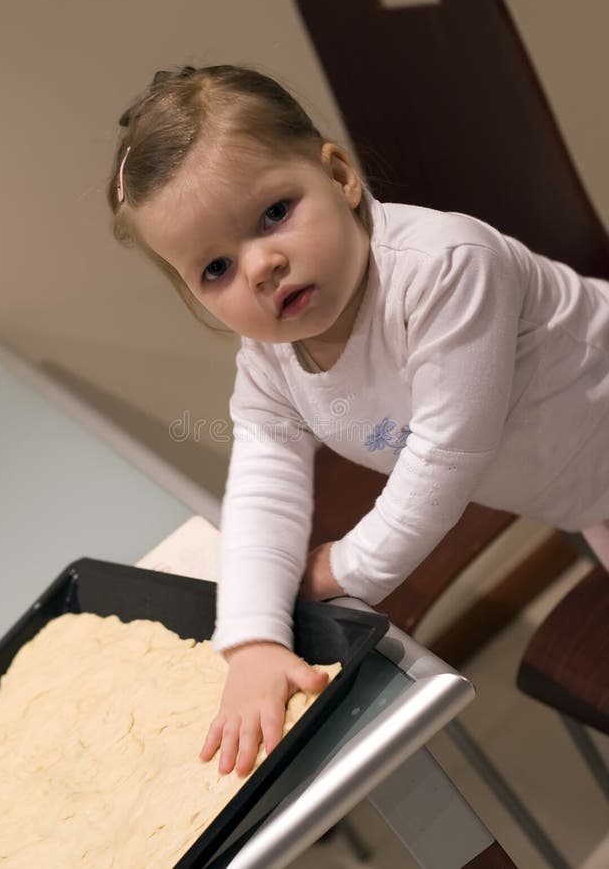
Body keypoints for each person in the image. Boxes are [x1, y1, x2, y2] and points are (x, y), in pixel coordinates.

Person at [107, 64, 609, 779]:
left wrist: (348, 567)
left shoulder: (445, 268)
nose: (260, 266)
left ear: (340, 176)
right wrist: (252, 636)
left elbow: (446, 454)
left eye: (274, 214)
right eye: (215, 267)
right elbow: (263, 475)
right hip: (586, 487)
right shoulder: (272, 356)